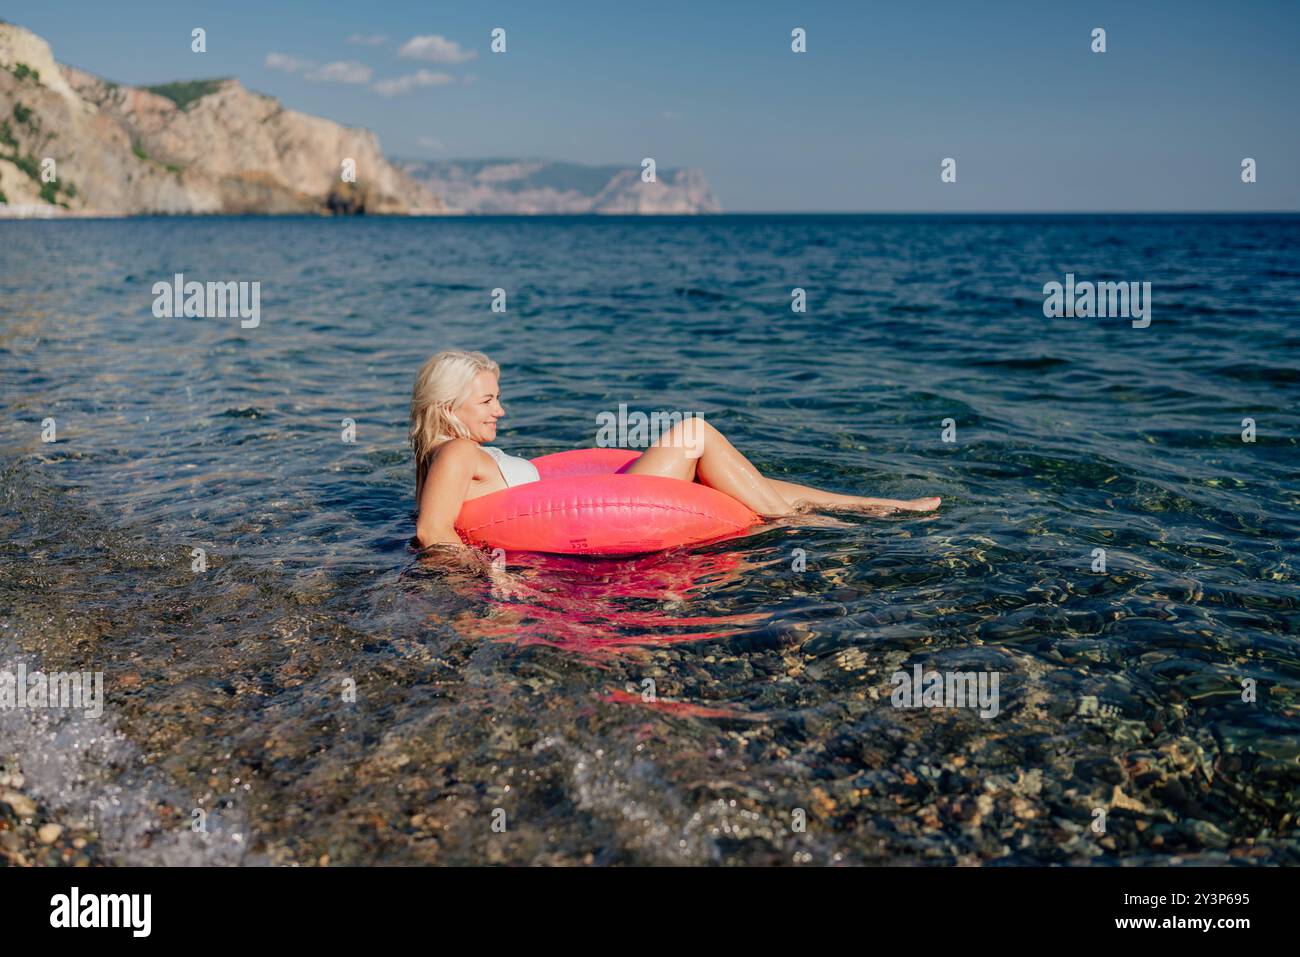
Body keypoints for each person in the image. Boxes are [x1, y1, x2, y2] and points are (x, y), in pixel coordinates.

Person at [410, 349, 939, 550]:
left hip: (606, 493)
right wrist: (491, 581)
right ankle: (794, 522)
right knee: (695, 433)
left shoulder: (455, 453)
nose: (501, 410)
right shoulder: (454, 454)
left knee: (734, 480)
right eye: (488, 400)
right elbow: (431, 532)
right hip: (610, 503)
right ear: (450, 406)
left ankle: (871, 507)